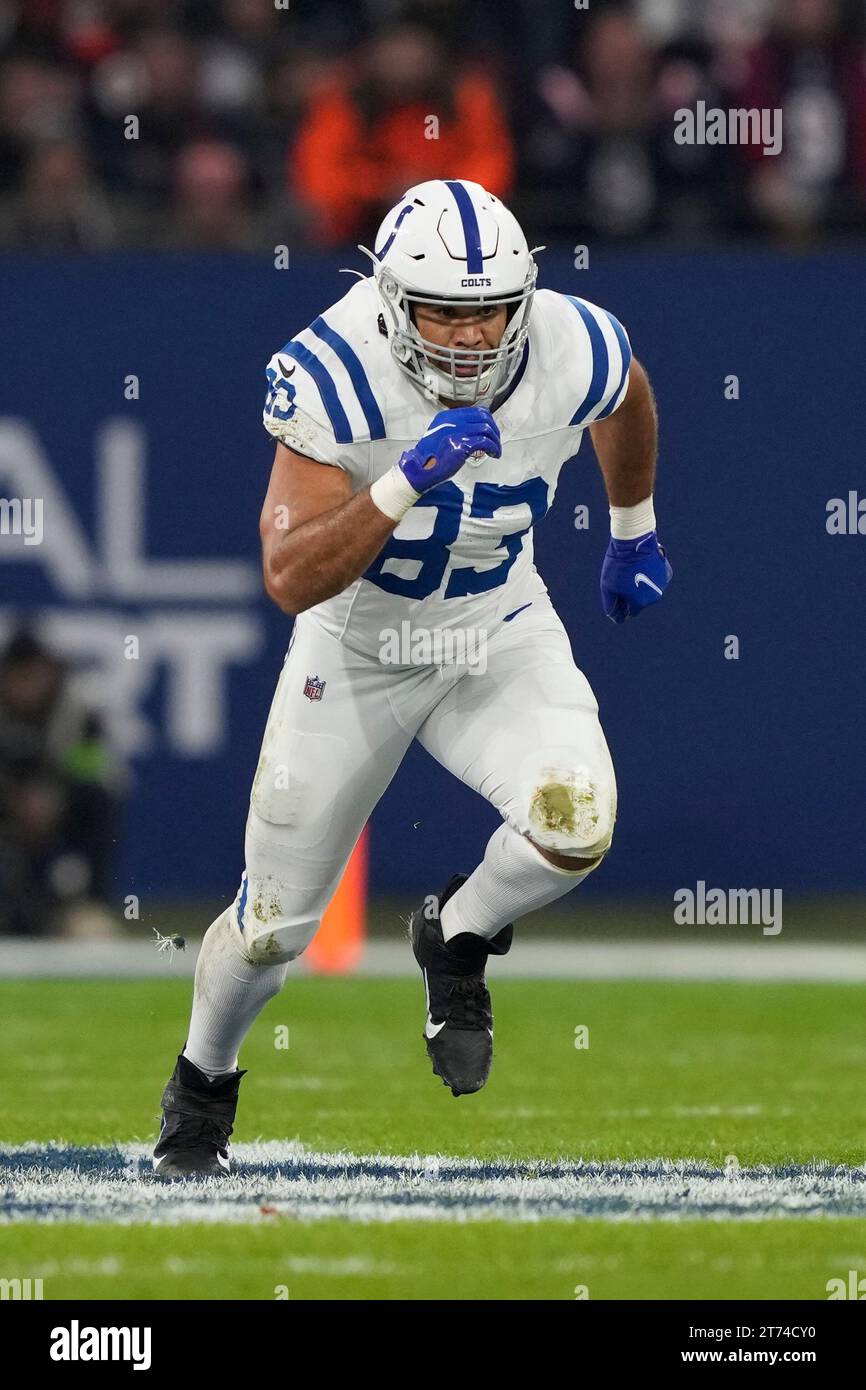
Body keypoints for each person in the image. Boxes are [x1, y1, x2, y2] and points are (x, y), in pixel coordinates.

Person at [152, 178, 672, 1178]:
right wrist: (401, 480)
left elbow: (625, 392)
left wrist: (631, 529)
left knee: (576, 823)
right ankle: (200, 1087)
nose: (474, 339)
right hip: (356, 648)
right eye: (446, 311)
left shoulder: (568, 339)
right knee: (269, 932)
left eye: (491, 313)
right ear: (391, 298)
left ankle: (458, 934)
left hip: (497, 625)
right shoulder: (335, 371)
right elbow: (290, 576)